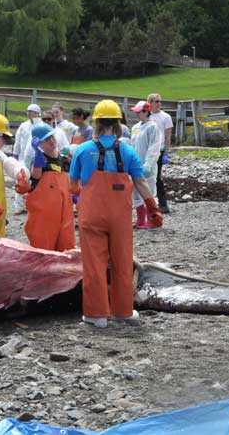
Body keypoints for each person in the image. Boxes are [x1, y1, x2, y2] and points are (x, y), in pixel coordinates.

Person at [69, 100, 160, 328]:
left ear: (96, 123)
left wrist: (85, 196)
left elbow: (73, 186)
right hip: (119, 217)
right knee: (122, 262)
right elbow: (140, 182)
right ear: (118, 125)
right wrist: (153, 209)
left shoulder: (82, 149)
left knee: (94, 265)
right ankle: (123, 312)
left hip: (92, 216)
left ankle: (96, 315)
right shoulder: (128, 151)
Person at [23, 123, 76, 251]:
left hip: (65, 213)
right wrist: (37, 153)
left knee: (66, 247)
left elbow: (73, 180)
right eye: (46, 140)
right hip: (44, 216)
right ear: (39, 144)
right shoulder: (39, 161)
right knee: (43, 250)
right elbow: (36, 175)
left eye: (52, 137)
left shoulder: (64, 159)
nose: (52, 141)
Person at [129, 102, 164, 230]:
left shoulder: (153, 127)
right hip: (135, 164)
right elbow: (133, 146)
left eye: (139, 112)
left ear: (146, 112)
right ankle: (140, 220)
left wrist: (149, 164)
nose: (137, 114)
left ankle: (153, 219)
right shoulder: (135, 127)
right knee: (135, 193)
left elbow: (154, 147)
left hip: (147, 165)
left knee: (149, 191)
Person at [12, 104, 44, 214]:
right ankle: (18, 205)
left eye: (31, 111)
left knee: (34, 181)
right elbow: (17, 140)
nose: (28, 113)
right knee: (21, 179)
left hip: (36, 157)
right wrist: (15, 154)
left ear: (37, 113)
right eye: (28, 111)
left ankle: (31, 204)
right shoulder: (23, 125)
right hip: (22, 157)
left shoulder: (41, 126)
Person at [146, 94, 174, 213]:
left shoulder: (166, 117)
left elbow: (168, 137)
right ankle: (148, 203)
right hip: (147, 149)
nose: (159, 104)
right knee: (146, 177)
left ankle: (163, 204)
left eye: (160, 101)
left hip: (159, 150)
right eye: (156, 101)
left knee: (157, 177)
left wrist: (166, 153)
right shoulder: (147, 116)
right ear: (150, 103)